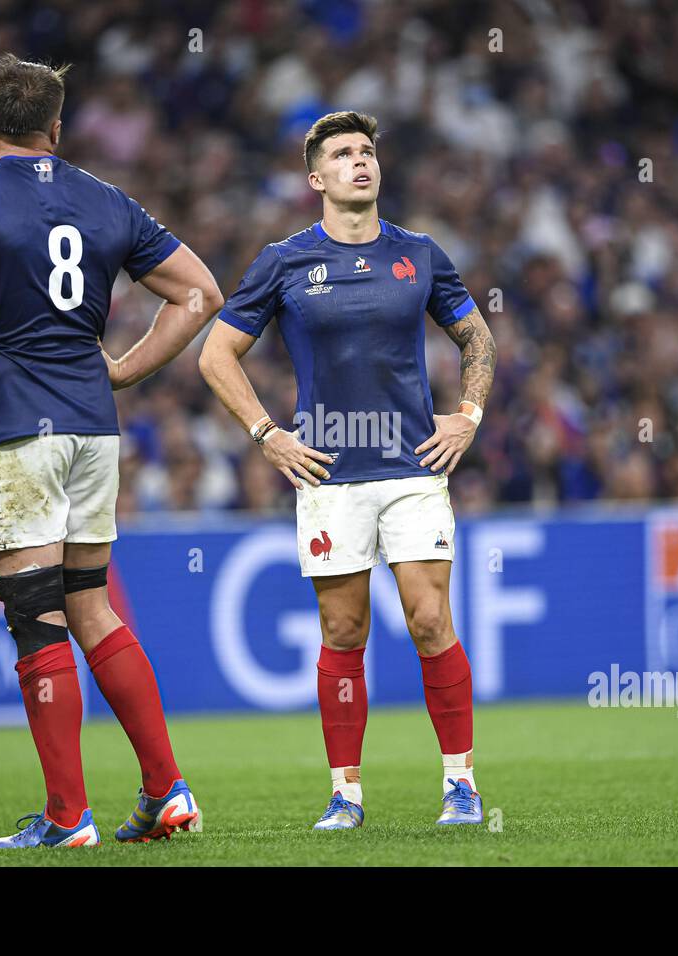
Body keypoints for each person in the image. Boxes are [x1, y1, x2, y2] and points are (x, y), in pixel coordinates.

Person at [0, 54, 222, 847]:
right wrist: (125, 369)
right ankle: (166, 790)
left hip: (14, 427)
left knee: (36, 619)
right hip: (92, 425)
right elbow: (201, 294)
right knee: (93, 605)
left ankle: (67, 818)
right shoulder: (106, 198)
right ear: (57, 127)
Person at [199, 111, 496, 829]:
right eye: (342, 154)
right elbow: (215, 355)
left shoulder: (420, 253)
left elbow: (476, 334)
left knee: (430, 620)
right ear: (316, 178)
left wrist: (471, 413)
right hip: (330, 475)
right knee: (342, 631)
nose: (359, 162)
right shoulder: (283, 261)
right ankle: (346, 794)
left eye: (367, 151)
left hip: (411, 467)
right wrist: (266, 433)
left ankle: (461, 784)